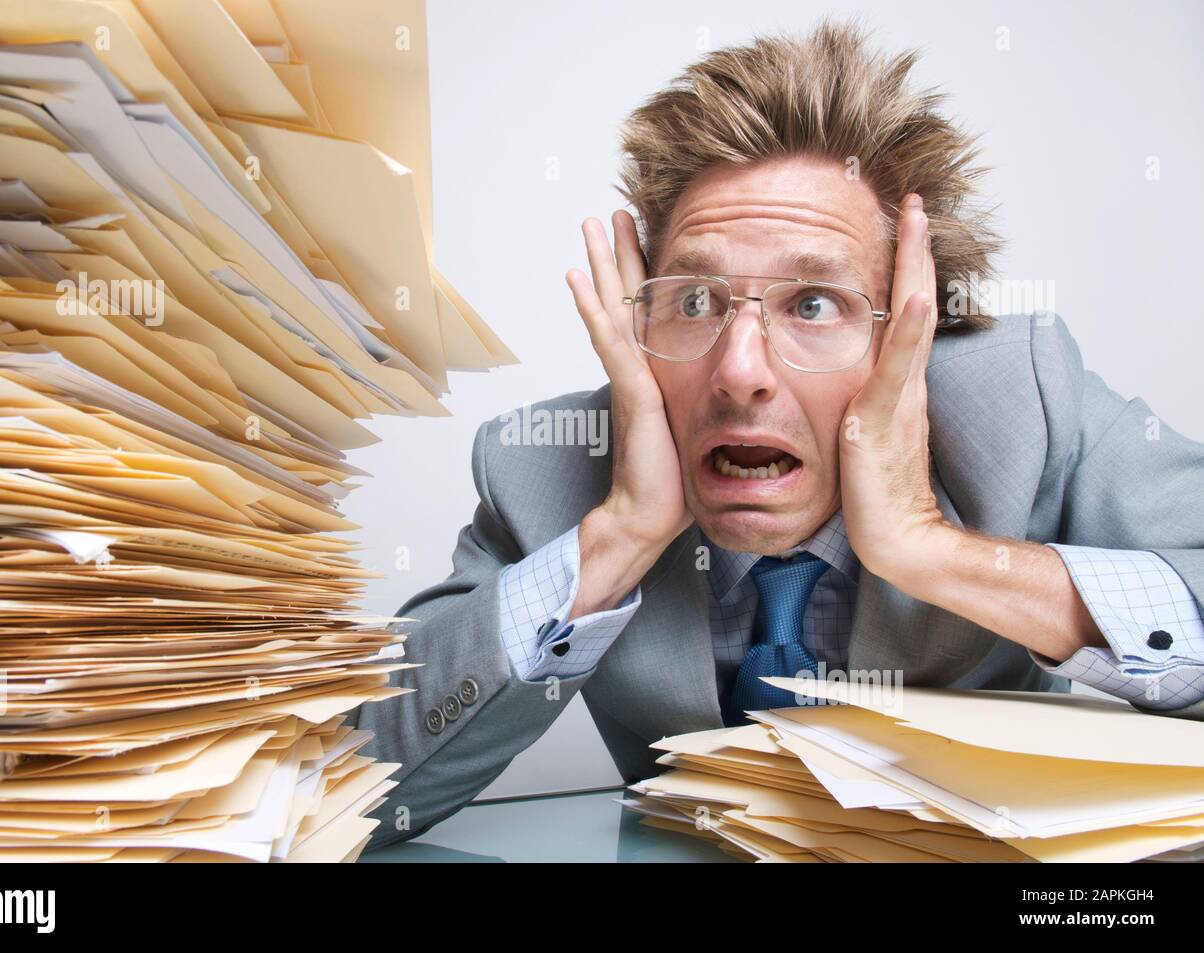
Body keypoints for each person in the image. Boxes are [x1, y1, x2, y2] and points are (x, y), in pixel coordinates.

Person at [356, 18, 1204, 849]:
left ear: (909, 336)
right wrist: (617, 537)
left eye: (814, 304)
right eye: (693, 300)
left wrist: (929, 549)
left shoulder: (1019, 403)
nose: (738, 371)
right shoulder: (547, 470)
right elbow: (346, 778)